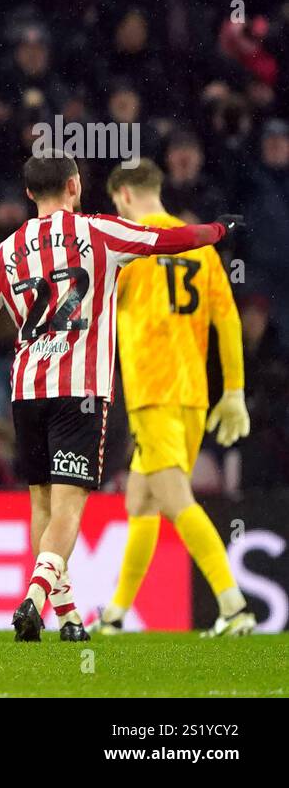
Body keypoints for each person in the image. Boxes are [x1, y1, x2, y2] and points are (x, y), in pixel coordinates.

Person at [0, 153, 242, 643]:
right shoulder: (98, 232)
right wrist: (219, 231)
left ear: (28, 194)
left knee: (40, 502)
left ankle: (69, 618)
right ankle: (35, 599)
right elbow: (168, 240)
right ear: (75, 186)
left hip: (27, 391)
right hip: (80, 392)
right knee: (69, 509)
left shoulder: (4, 253)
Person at [89, 160, 255, 637]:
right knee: (141, 503)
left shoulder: (129, 249)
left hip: (152, 393)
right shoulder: (200, 246)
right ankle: (118, 614)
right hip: (193, 396)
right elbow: (228, 321)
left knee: (176, 499)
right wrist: (236, 392)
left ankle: (232, 604)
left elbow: (94, 306)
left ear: (121, 195)